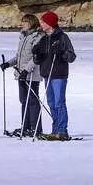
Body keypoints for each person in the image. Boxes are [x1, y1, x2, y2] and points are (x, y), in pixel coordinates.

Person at [31, 12, 76, 140]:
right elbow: (40, 58)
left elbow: (71, 56)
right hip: (47, 74)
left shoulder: (62, 37)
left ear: (49, 24)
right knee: (51, 103)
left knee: (59, 103)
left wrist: (62, 53)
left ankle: (62, 131)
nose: (41, 24)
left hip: (58, 75)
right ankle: (55, 130)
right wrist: (37, 54)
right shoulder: (44, 38)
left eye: (43, 22)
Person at [1, 12, 45, 137]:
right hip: (21, 74)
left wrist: (26, 70)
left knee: (33, 101)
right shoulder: (23, 37)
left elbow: (36, 57)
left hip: (31, 75)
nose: (22, 24)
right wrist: (8, 64)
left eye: (25, 22)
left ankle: (35, 128)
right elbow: (19, 56)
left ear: (31, 23)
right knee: (24, 101)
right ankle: (25, 127)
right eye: (23, 22)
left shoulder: (38, 37)